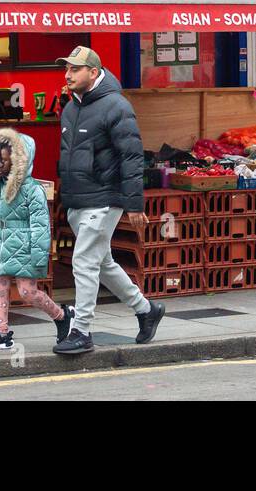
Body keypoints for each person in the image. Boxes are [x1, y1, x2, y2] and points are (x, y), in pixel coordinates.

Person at [52, 46, 164, 355]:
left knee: (84, 261)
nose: (68, 74)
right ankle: (146, 310)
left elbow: (131, 157)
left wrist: (135, 205)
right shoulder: (71, 107)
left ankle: (81, 330)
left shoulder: (117, 105)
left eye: (75, 69)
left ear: (93, 71)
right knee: (102, 264)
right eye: (67, 69)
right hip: (78, 200)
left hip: (104, 199)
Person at [0, 128, 73, 350]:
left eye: (3, 161)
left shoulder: (33, 190)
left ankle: (62, 315)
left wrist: (39, 255)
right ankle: (1, 332)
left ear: (18, 160)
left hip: (25, 248)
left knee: (27, 293)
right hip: (2, 247)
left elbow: (41, 226)